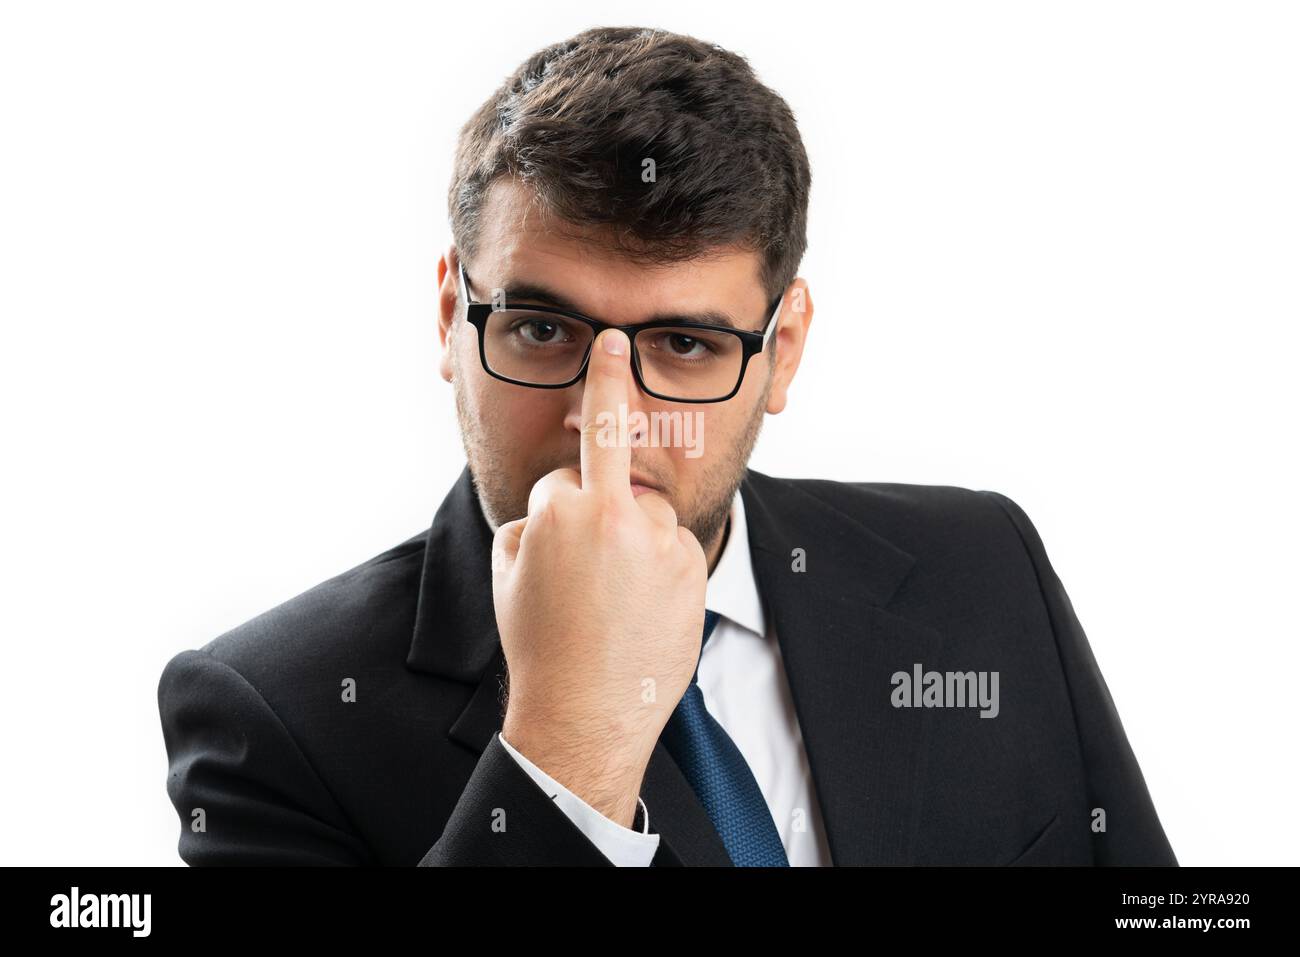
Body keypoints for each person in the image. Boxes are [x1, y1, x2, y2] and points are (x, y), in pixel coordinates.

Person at [157, 26, 1176, 866]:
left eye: (683, 345)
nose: (604, 420)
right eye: (541, 330)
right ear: (447, 318)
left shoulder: (981, 564)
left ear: (782, 352)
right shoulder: (271, 720)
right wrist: (567, 750)